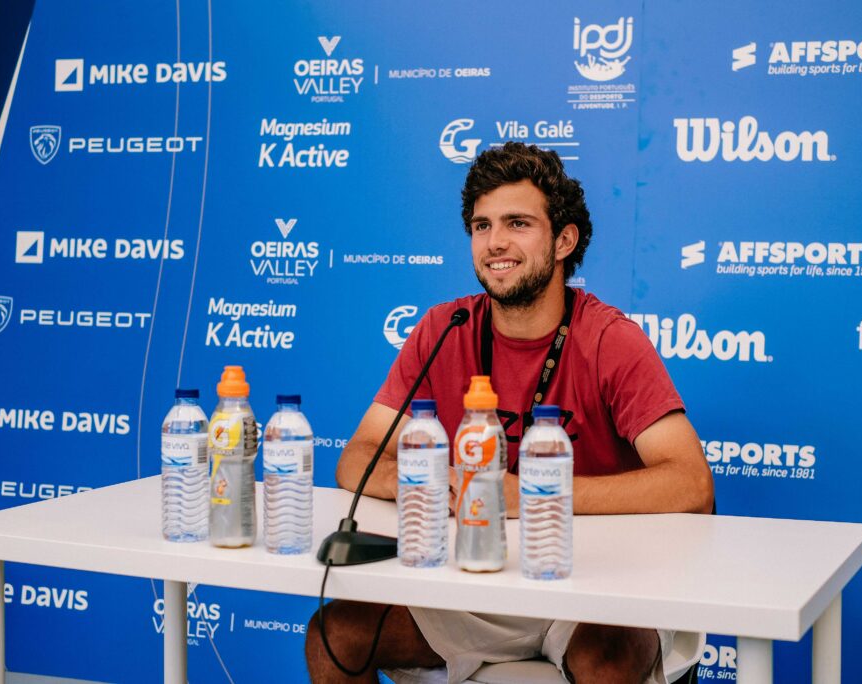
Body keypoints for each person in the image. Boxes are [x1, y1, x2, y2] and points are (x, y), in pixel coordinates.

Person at [305, 142, 715, 684]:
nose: (495, 243)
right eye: (481, 226)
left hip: (593, 585)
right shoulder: (442, 328)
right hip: (479, 578)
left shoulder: (610, 340)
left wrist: (535, 495)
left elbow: (690, 483)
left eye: (518, 223)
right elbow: (357, 460)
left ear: (564, 239)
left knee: (607, 660)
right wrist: (433, 481)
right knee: (337, 637)